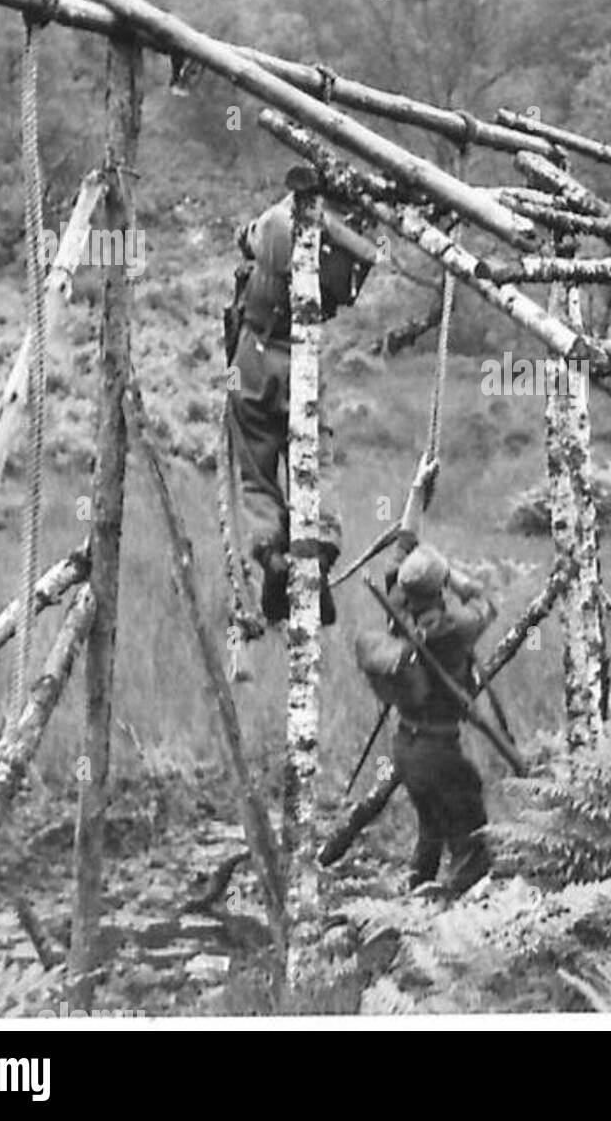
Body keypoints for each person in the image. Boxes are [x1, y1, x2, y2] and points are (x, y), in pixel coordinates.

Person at [225, 169, 373, 625]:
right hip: (302, 358)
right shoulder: (348, 247)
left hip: (253, 354)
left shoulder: (275, 224)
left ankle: (272, 556)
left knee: (255, 468)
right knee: (315, 461)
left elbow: (246, 237)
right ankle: (318, 556)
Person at [355, 458, 497, 895]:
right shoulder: (452, 631)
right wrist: (457, 577)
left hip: (405, 748)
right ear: (438, 588)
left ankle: (413, 898)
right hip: (439, 750)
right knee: (470, 835)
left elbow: (404, 540)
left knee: (431, 829)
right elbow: (488, 602)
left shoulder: (397, 603)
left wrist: (417, 490)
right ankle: (450, 916)